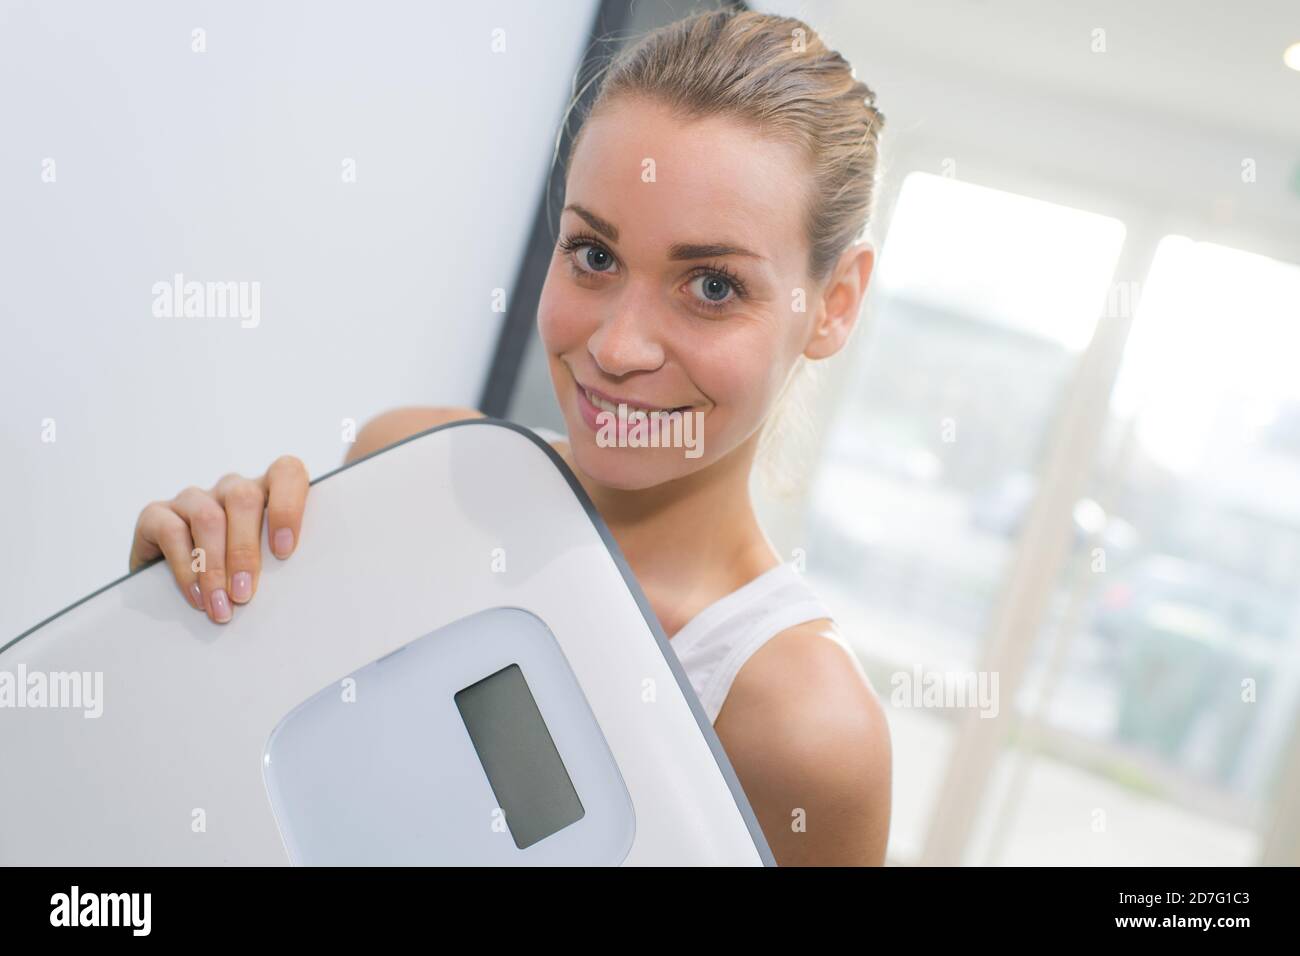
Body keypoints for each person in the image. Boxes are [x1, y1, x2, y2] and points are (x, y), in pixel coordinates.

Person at [128, 8, 891, 866]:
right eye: (594, 256)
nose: (614, 347)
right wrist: (169, 623)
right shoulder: (410, 469)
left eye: (712, 285)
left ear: (834, 303)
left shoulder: (802, 726)